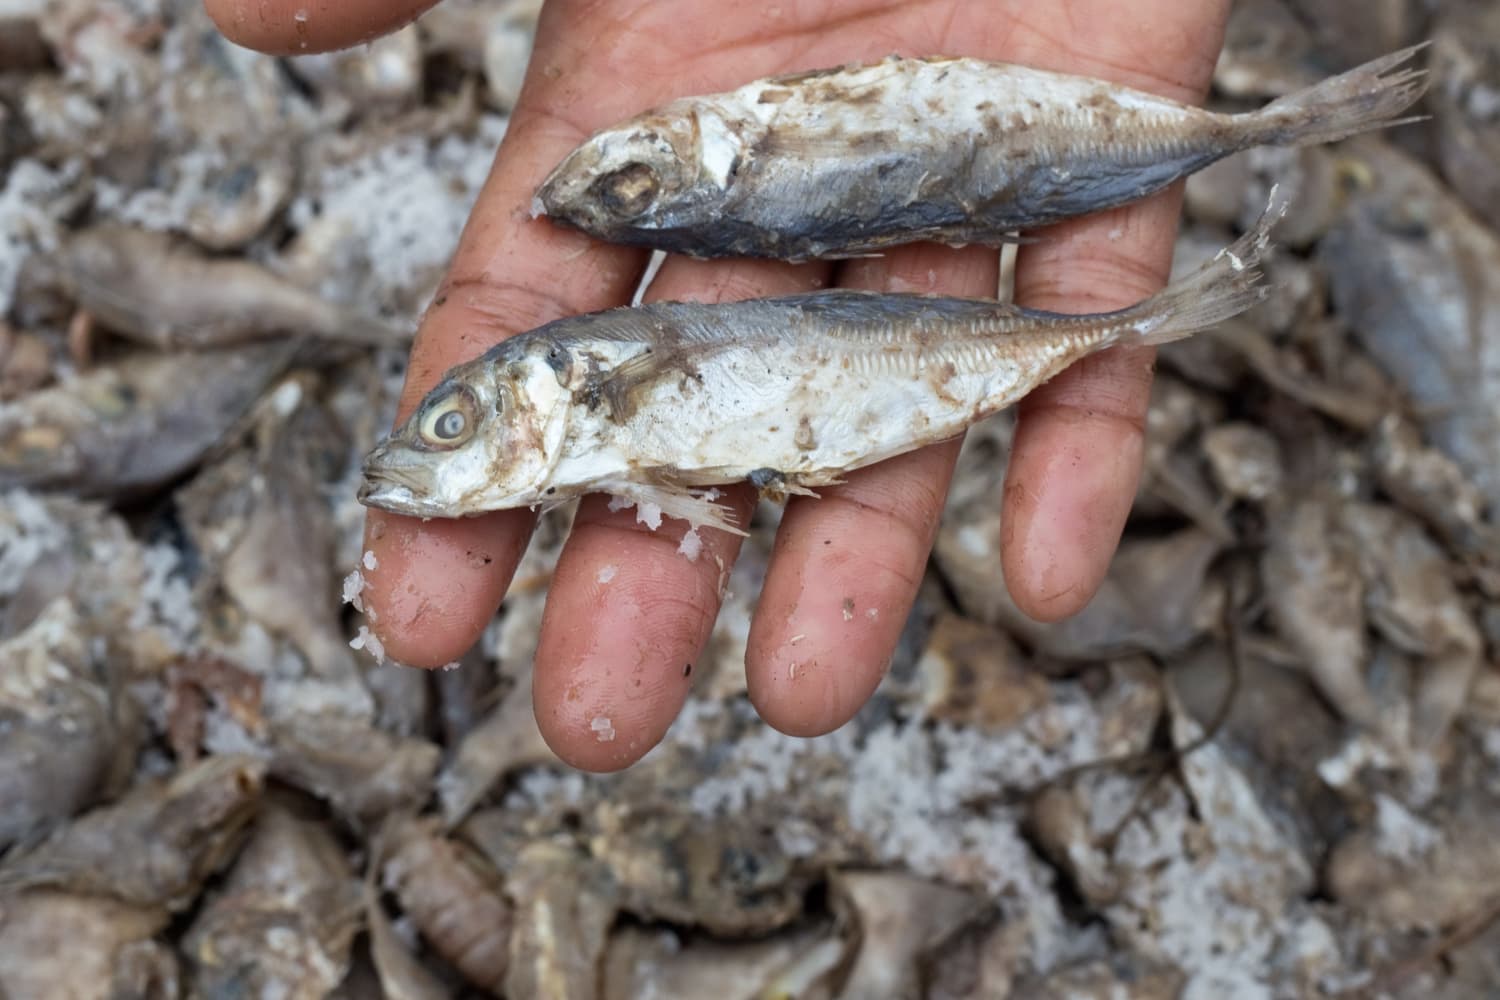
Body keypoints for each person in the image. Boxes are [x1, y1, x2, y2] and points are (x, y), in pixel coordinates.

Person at [207, 0, 1233, 772]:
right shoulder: (594, 391)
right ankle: (1171, 266)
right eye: (449, 425)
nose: (434, 443)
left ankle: (1184, 242)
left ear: (558, 388)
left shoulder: (596, 369)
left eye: (451, 422)